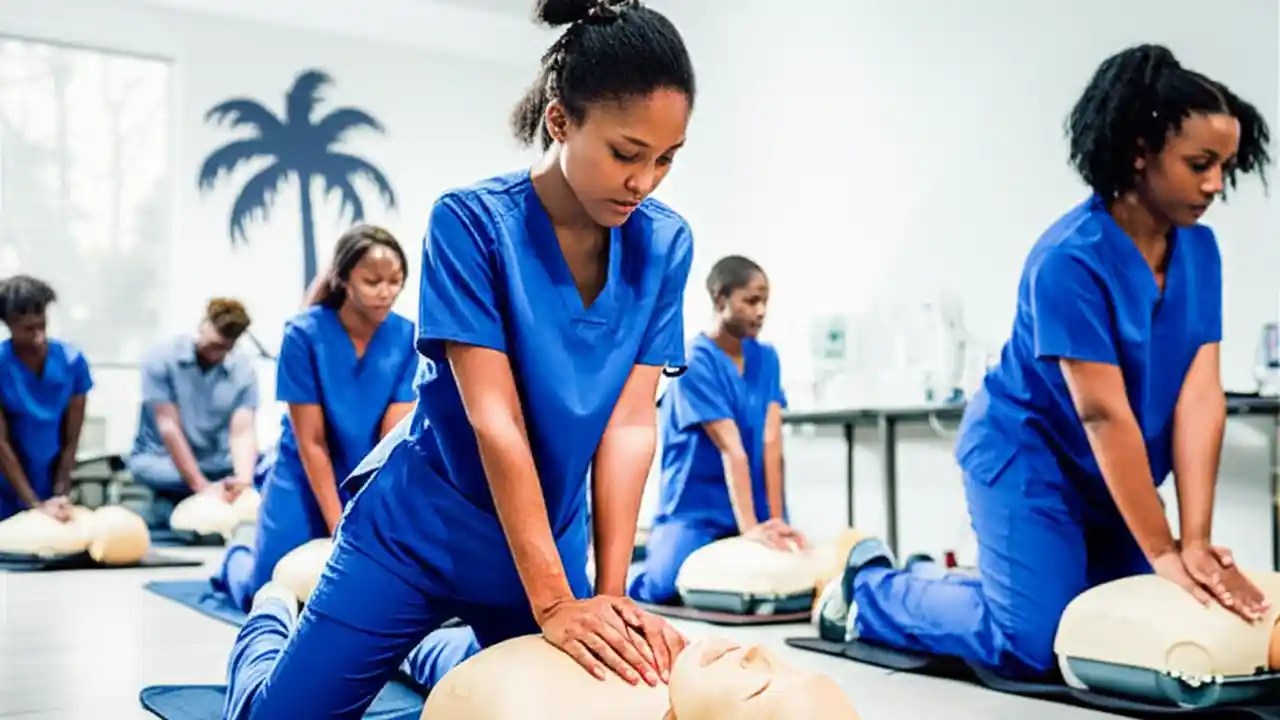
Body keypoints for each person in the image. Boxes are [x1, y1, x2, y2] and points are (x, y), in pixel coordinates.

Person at [222, 1, 697, 716]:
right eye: (627, 153)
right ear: (560, 120)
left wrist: (608, 596)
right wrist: (553, 604)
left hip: (543, 540)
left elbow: (630, 426)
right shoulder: (470, 222)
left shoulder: (665, 244)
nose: (645, 181)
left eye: (665, 159)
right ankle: (271, 621)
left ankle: (429, 651)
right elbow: (493, 419)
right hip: (416, 534)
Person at [821, 44, 1273, 680]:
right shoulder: (1070, 258)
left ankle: (1000, 578)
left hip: (1114, 474)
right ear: (1140, 150)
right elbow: (1102, 414)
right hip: (1028, 459)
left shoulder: (1201, 251)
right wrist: (1161, 546)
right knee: (1034, 644)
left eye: (1225, 165)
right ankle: (870, 590)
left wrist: (1193, 541)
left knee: (1128, 620)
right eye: (1200, 164)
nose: (1215, 185)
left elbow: (1201, 398)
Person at [216, 225, 420, 611]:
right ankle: (239, 553)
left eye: (395, 281)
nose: (386, 291)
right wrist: (338, 526)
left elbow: (389, 442)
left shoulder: (408, 337)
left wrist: (365, 519)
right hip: (301, 472)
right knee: (267, 592)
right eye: (372, 281)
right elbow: (312, 443)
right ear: (343, 280)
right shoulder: (303, 334)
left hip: (364, 471)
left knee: (353, 595)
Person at [629, 256, 805, 605]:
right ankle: (638, 567)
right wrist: (750, 529)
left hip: (751, 503)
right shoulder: (693, 361)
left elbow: (772, 442)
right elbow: (732, 448)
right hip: (695, 511)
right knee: (664, 588)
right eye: (751, 300)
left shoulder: (766, 357)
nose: (761, 311)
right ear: (721, 300)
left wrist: (773, 519)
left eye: (765, 301)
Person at [128, 298, 259, 527]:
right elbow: (169, 427)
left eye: (223, 349)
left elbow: (242, 432)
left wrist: (243, 482)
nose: (215, 355)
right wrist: (202, 487)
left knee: (264, 472)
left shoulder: (242, 372)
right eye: (212, 345)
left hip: (214, 464)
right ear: (203, 325)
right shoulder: (161, 358)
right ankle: (166, 514)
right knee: (164, 504)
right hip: (163, 463)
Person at [0, 276, 93, 522]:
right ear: (9, 325)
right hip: (6, 484)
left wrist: (59, 493)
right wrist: (32, 503)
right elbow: (1, 445)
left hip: (47, 478)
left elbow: (71, 438)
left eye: (42, 326)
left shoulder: (72, 362)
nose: (39, 337)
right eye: (28, 330)